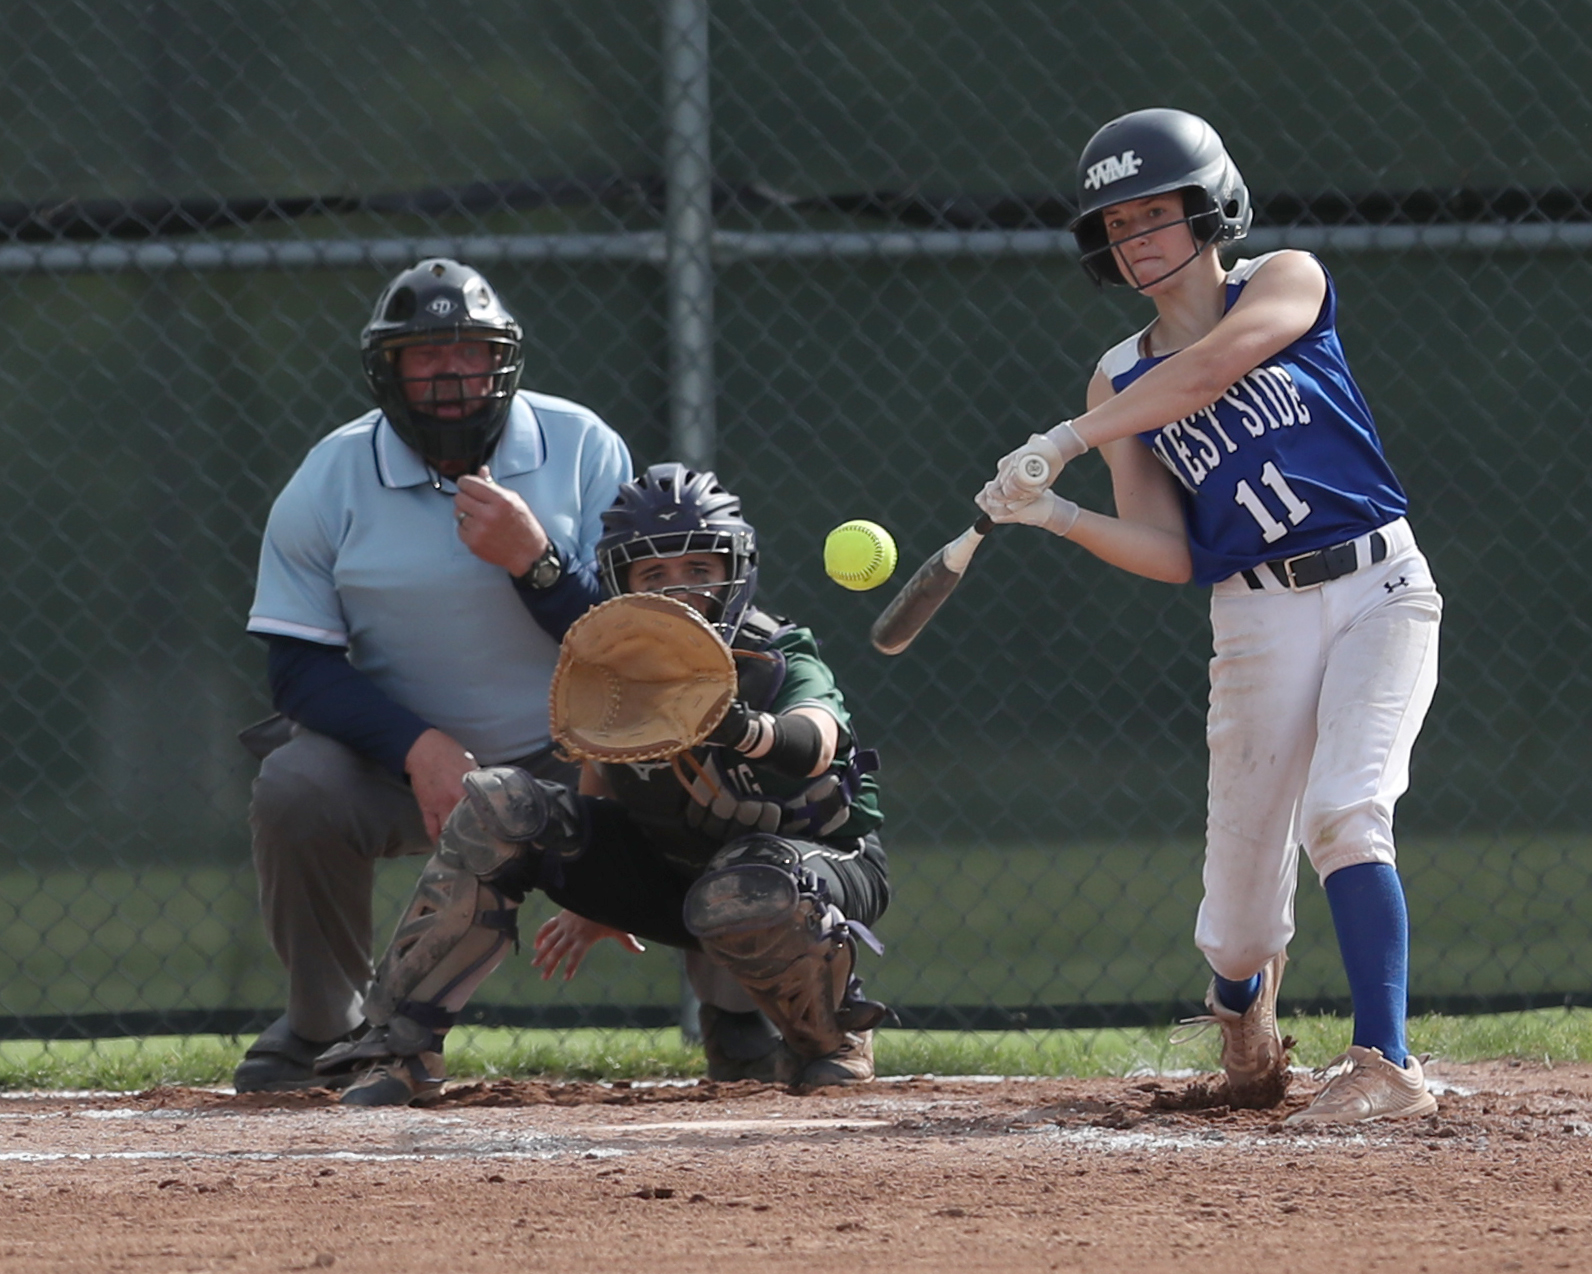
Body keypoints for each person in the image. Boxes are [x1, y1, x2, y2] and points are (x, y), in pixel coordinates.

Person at [978, 109, 1441, 1124]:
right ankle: (1241, 1002)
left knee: (1344, 810)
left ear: (1208, 208)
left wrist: (1062, 439)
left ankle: (1383, 1062)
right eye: (1117, 223)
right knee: (1234, 925)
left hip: (1377, 587)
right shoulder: (1116, 375)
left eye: (1157, 212)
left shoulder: (1282, 278)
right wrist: (1056, 512)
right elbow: (1174, 550)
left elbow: (1208, 369)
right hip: (1254, 618)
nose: (1137, 236)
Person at [313, 462, 891, 1106]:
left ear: (737, 571)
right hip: (680, 870)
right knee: (497, 802)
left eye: (699, 571)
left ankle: (828, 1038)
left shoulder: (776, 656)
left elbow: (816, 744)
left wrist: (737, 726)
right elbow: (602, 777)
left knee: (744, 885)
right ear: (621, 585)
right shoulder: (617, 672)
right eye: (654, 576)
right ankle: (399, 1046)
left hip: (817, 870)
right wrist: (594, 894)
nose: (678, 593)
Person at [233, 257, 631, 1092]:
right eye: (427, 356)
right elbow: (298, 668)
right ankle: (321, 1028)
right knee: (296, 783)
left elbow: (634, 643)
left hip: (573, 761)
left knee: (703, 770)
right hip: (405, 772)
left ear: (503, 361)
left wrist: (538, 565)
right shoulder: (334, 474)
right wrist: (417, 746)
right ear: (391, 370)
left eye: (471, 353)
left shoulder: (582, 446)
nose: (452, 374)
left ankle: (750, 1022)